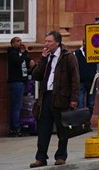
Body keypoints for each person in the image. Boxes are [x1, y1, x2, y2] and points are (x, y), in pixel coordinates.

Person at [31, 29, 79, 168]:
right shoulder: (47, 57)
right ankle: (41, 157)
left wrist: (74, 99)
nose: (46, 44)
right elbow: (36, 76)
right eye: (45, 41)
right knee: (43, 129)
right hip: (46, 97)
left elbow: (75, 78)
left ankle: (61, 156)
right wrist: (43, 59)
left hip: (61, 97)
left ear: (57, 42)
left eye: (49, 41)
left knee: (62, 129)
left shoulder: (68, 56)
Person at [7, 36, 31, 137]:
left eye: (20, 40)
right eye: (17, 41)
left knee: (19, 106)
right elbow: (17, 62)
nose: (20, 42)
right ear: (12, 44)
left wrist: (25, 52)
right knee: (16, 106)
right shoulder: (12, 53)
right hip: (16, 82)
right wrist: (24, 53)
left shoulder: (20, 53)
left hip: (22, 81)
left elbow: (27, 61)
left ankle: (16, 127)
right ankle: (15, 128)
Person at [75, 43, 99, 117]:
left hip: (92, 82)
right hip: (80, 82)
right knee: (80, 103)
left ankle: (87, 122)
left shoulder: (95, 53)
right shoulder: (76, 54)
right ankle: (82, 123)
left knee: (91, 104)